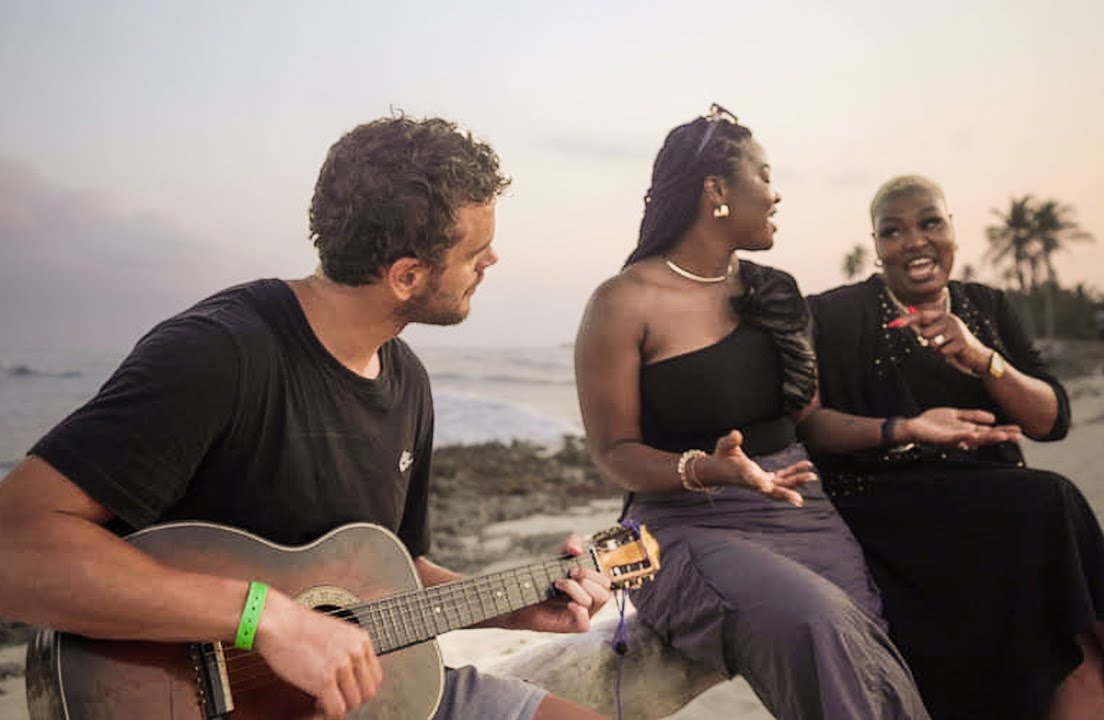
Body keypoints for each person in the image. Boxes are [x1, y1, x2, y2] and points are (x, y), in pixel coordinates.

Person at [0, 115, 612, 720]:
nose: (493, 260)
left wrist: (515, 605)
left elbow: (388, 577)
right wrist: (264, 616)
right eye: (476, 251)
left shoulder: (408, 383)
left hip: (374, 695)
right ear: (406, 276)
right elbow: (15, 549)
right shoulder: (218, 354)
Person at [574, 105, 1021, 719]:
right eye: (764, 174)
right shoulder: (624, 304)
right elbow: (614, 454)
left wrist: (906, 428)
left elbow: (808, 422)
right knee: (815, 617)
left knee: (869, 642)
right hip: (680, 531)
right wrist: (711, 469)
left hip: (800, 514)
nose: (776, 193)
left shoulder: (774, 292)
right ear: (717, 190)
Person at [804, 174, 1104, 720]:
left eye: (930, 222)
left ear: (953, 230)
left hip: (995, 504)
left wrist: (984, 357)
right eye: (893, 231)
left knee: (1066, 635)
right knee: (1051, 502)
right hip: (888, 506)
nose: (914, 240)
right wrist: (907, 428)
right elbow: (812, 427)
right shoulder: (834, 314)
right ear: (876, 246)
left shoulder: (985, 306)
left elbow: (1051, 419)